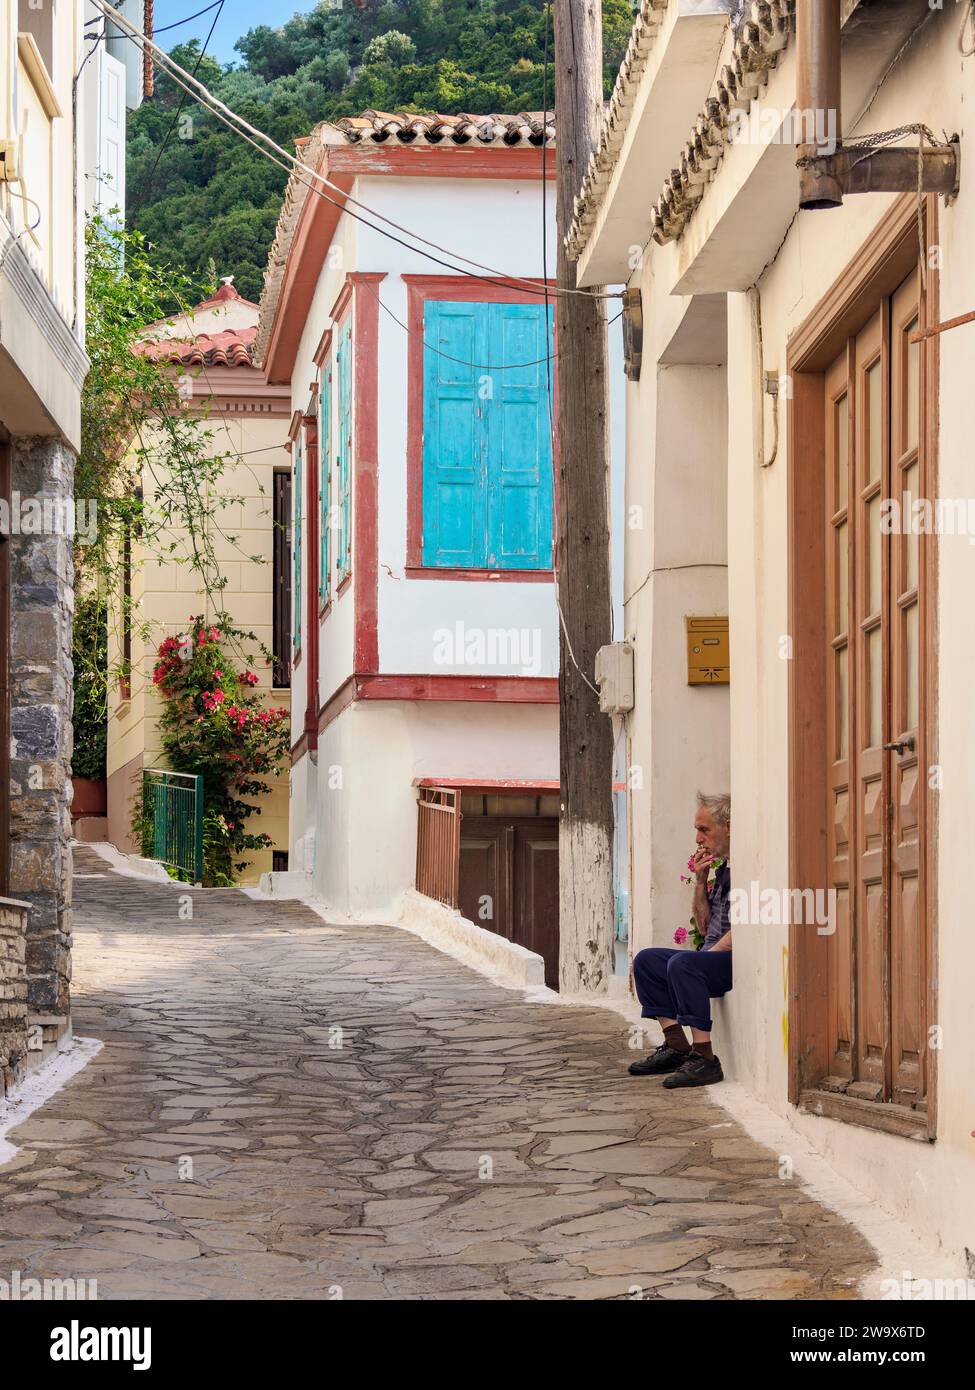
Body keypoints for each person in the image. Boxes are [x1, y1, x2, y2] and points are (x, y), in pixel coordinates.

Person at [628, 792, 732, 1088]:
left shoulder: (750, 869)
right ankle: (676, 1045)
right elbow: (704, 924)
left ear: (729, 827)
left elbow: (747, 930)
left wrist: (707, 955)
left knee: (683, 963)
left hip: (733, 961)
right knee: (646, 961)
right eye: (697, 830)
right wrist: (701, 882)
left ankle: (705, 1059)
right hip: (714, 957)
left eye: (704, 829)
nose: (698, 838)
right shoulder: (723, 868)